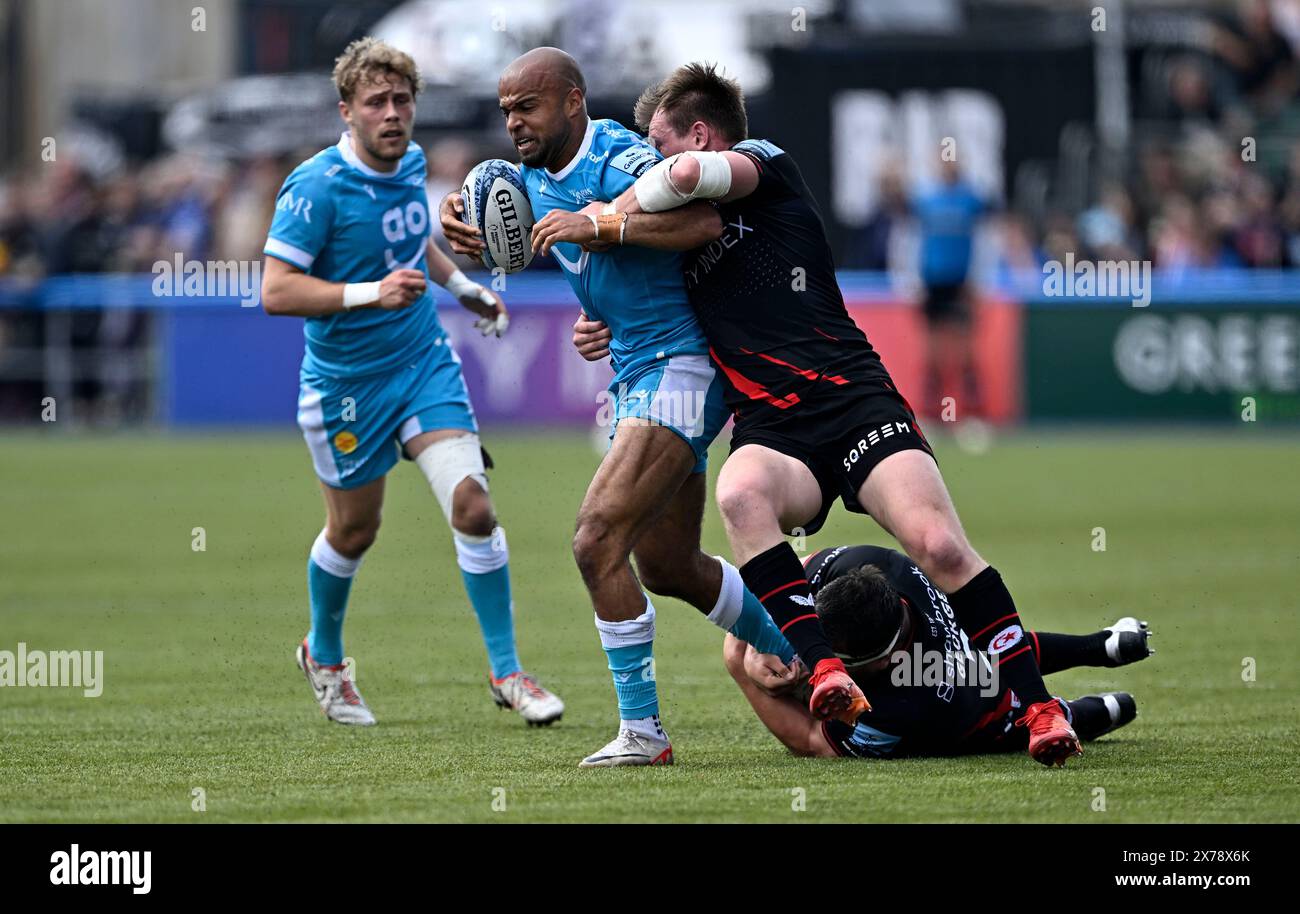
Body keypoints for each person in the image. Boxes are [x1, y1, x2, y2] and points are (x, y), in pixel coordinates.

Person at [563, 62, 1082, 765]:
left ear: (698, 133)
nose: (645, 161)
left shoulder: (763, 164)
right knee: (741, 494)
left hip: (853, 399)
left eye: (655, 143)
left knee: (940, 548)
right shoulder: (673, 237)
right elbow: (651, 316)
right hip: (774, 427)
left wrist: (601, 217)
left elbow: (685, 179)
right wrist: (605, 328)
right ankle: (826, 669)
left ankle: (1042, 709)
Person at [439, 48, 864, 767]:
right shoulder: (538, 179)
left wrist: (601, 226)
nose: (513, 122)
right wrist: (475, 236)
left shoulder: (616, 156)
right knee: (667, 564)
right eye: (506, 109)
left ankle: (644, 732)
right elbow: (535, 238)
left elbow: (700, 222)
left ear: (572, 102)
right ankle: (808, 659)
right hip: (639, 370)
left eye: (528, 107)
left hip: (684, 366)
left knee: (595, 539)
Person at [260, 38, 563, 728]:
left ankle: (508, 671)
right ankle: (326, 655)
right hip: (344, 387)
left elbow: (412, 240)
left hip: (422, 363)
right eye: (377, 102)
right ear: (347, 111)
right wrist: (370, 295)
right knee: (354, 531)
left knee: (474, 508)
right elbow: (276, 291)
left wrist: (462, 288)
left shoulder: (413, 164)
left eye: (402, 100)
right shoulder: (315, 187)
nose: (393, 114)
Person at [727, 544, 1152, 760]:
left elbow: (812, 740)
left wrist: (740, 666)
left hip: (965, 712)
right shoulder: (867, 563)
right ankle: (1104, 645)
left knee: (1005, 718)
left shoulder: (906, 702)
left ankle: (1071, 711)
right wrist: (756, 644)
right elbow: (784, 582)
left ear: (882, 660)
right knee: (994, 649)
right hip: (963, 649)